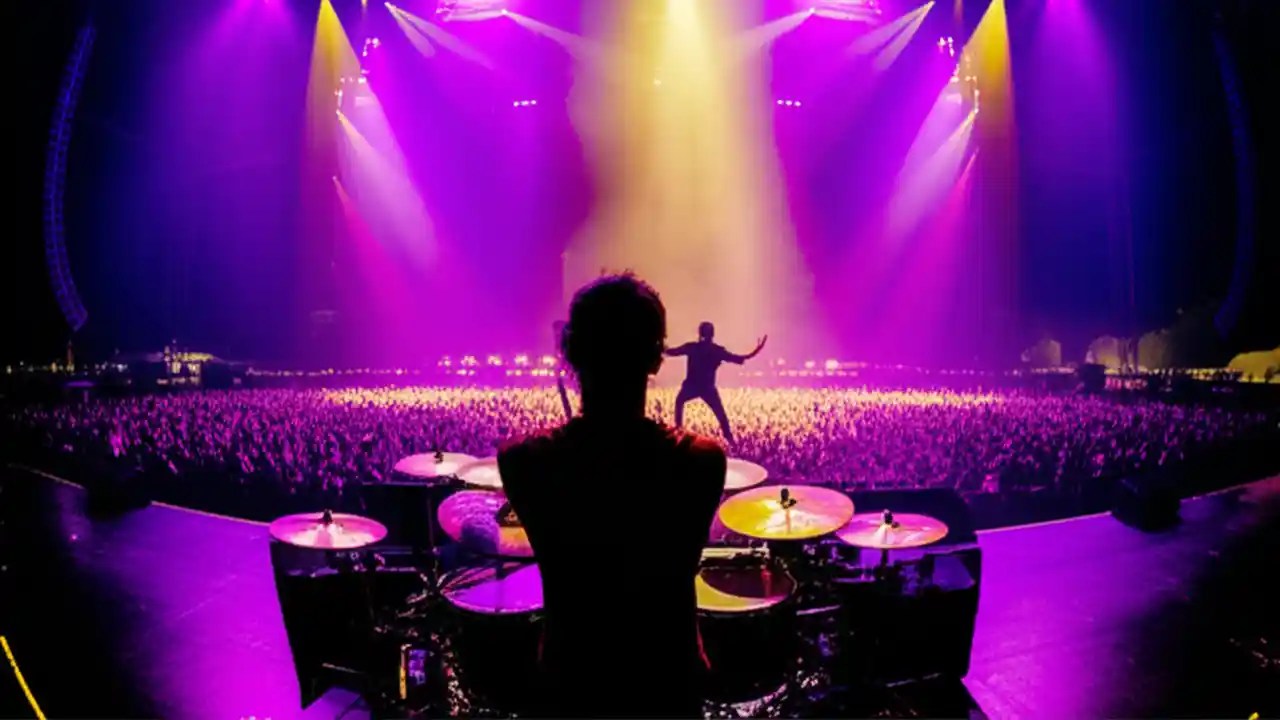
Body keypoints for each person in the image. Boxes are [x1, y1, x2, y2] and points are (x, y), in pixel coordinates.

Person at [498, 274, 727, 717]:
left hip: (571, 683)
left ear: (570, 352)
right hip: (665, 684)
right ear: (656, 358)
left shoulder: (523, 461)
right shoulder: (700, 462)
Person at [665, 322, 767, 447]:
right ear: (712, 334)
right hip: (707, 388)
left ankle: (679, 431)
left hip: (693, 386)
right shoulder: (716, 351)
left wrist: (660, 346)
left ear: (700, 333)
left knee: (680, 401)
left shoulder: (692, 347)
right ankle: (730, 440)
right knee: (721, 415)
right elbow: (738, 358)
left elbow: (673, 352)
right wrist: (756, 351)